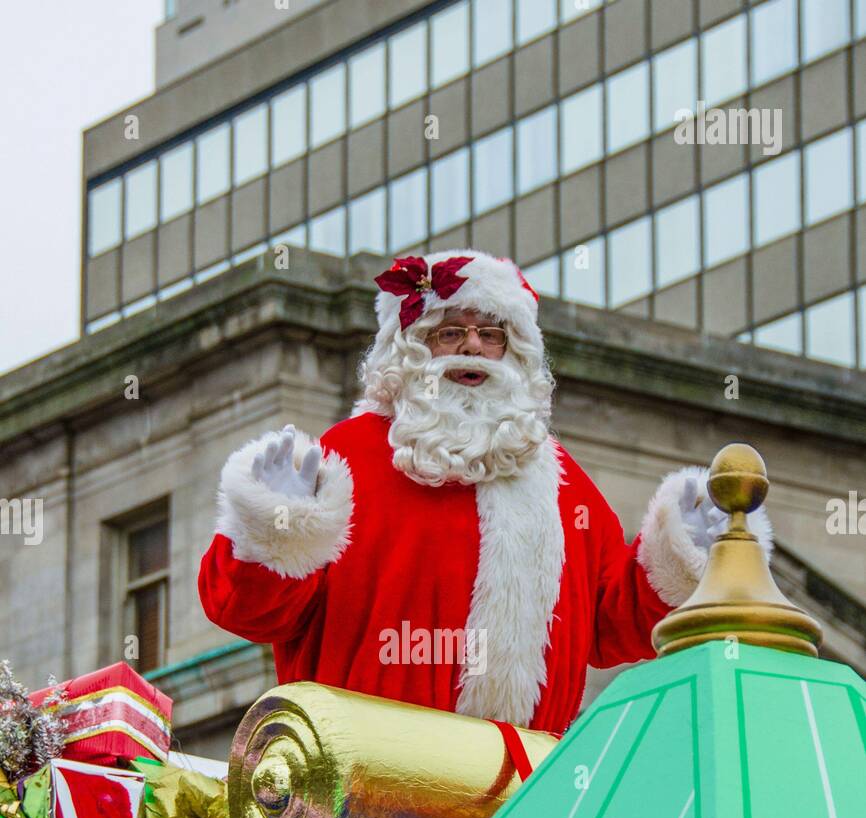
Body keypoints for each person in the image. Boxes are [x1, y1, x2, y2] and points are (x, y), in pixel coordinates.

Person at [198, 250, 771, 736]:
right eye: (452, 331)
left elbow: (611, 624)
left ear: (513, 353)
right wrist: (273, 525)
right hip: (364, 782)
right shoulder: (347, 456)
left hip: (520, 801)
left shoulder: (558, 478)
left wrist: (684, 553)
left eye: (490, 335)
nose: (472, 348)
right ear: (414, 348)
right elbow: (247, 611)